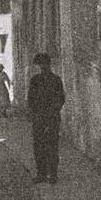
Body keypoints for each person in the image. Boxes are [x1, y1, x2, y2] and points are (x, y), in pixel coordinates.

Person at [27, 52, 65, 184]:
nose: (42, 67)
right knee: (39, 146)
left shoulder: (55, 80)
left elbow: (61, 99)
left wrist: (52, 112)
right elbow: (30, 99)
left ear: (48, 65)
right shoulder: (35, 80)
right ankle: (42, 174)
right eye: (40, 65)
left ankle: (52, 175)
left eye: (43, 65)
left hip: (51, 117)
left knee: (52, 146)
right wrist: (34, 113)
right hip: (40, 118)